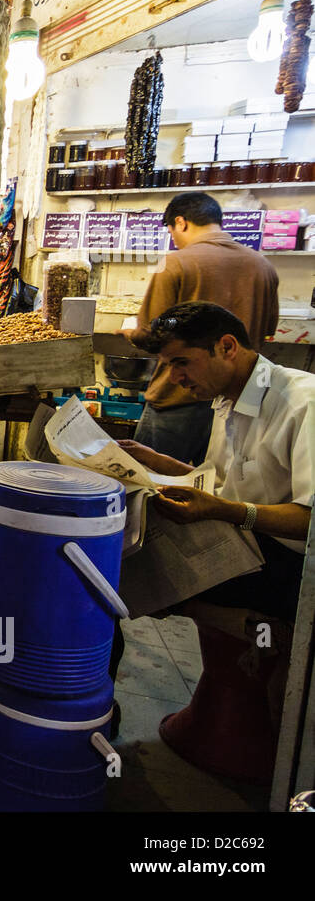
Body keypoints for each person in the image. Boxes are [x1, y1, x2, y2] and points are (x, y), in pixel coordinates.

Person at [108, 302, 312, 737]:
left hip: (294, 570)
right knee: (110, 557)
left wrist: (224, 512)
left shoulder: (302, 403)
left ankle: (268, 632)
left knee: (121, 576)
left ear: (227, 346)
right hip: (246, 544)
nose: (176, 378)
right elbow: (222, 485)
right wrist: (159, 463)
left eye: (182, 362)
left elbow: (308, 521)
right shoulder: (226, 400)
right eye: (169, 365)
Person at [126, 192, 279, 466]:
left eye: (172, 231)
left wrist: (128, 332)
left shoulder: (174, 263)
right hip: (241, 401)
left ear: (181, 223)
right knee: (216, 487)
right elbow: (267, 331)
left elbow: (153, 335)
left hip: (179, 400)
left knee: (151, 485)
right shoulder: (263, 266)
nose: (174, 239)